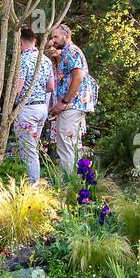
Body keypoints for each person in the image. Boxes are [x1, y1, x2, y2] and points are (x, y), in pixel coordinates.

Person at [47, 24, 98, 173]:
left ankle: (68, 185)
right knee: (71, 145)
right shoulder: (65, 53)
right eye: (52, 37)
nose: (52, 41)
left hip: (71, 105)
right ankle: (76, 184)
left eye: (56, 36)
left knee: (66, 146)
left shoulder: (72, 51)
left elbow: (78, 77)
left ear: (67, 36)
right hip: (72, 105)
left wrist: (63, 102)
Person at [11, 24, 54, 184]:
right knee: (32, 148)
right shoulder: (46, 60)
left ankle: (32, 188)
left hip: (27, 109)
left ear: (20, 42)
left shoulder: (23, 60)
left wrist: (9, 107)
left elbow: (18, 88)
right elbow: (51, 86)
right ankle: (33, 184)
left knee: (29, 152)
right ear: (34, 40)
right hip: (42, 107)